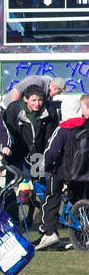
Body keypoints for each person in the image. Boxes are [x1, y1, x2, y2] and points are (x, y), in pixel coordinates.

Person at [34, 93, 89, 250]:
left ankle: (48, 232)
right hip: (84, 172)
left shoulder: (63, 128)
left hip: (63, 171)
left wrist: (47, 166)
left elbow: (51, 152)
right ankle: (80, 235)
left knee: (51, 197)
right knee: (79, 198)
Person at [3, 83, 59, 165]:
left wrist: (47, 156)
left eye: (40, 100)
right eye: (33, 100)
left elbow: (51, 134)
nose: (37, 104)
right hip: (16, 153)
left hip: (38, 155)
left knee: (37, 177)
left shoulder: (49, 110)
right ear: (25, 99)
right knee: (18, 177)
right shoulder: (13, 109)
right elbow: (7, 132)